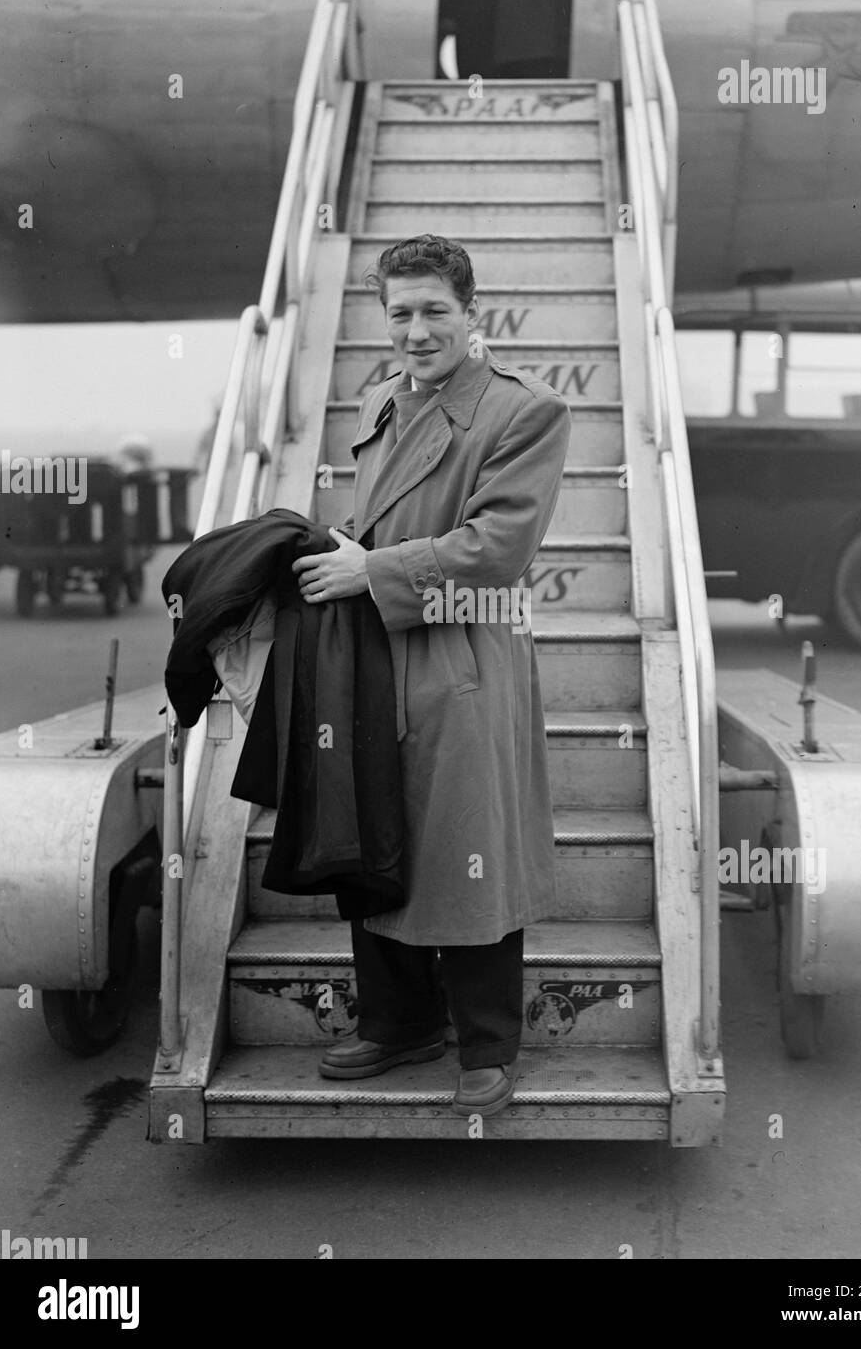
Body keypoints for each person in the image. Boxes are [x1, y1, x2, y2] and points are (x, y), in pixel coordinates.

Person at [292, 234, 571, 1117]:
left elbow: (498, 549)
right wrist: (332, 547)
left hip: (462, 658)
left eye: (434, 312)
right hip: (373, 653)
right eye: (401, 313)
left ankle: (487, 1045)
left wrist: (367, 574)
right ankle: (399, 1022)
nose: (417, 331)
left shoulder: (523, 411)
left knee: (467, 849)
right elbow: (384, 514)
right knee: (372, 832)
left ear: (470, 313)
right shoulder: (381, 400)